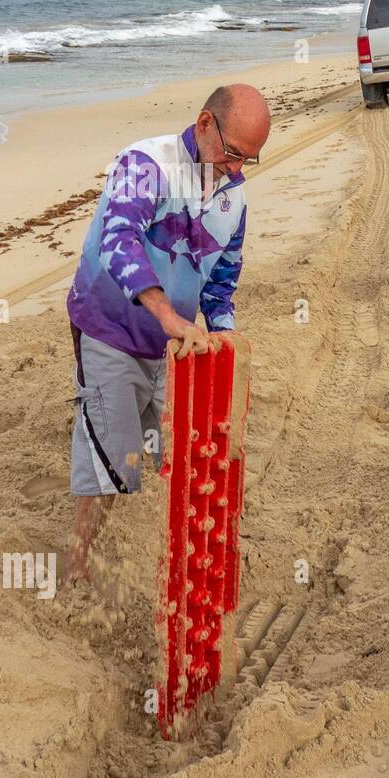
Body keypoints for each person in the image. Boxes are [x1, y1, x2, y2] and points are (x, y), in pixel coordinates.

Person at [64, 83, 271, 584]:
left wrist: (226, 344)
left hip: (169, 349)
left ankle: (148, 564)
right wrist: (167, 315)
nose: (238, 169)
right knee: (111, 457)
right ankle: (76, 567)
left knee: (162, 457)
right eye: (233, 153)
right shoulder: (145, 164)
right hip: (109, 327)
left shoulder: (234, 199)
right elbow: (118, 239)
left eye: (251, 159)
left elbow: (221, 286)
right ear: (205, 124)